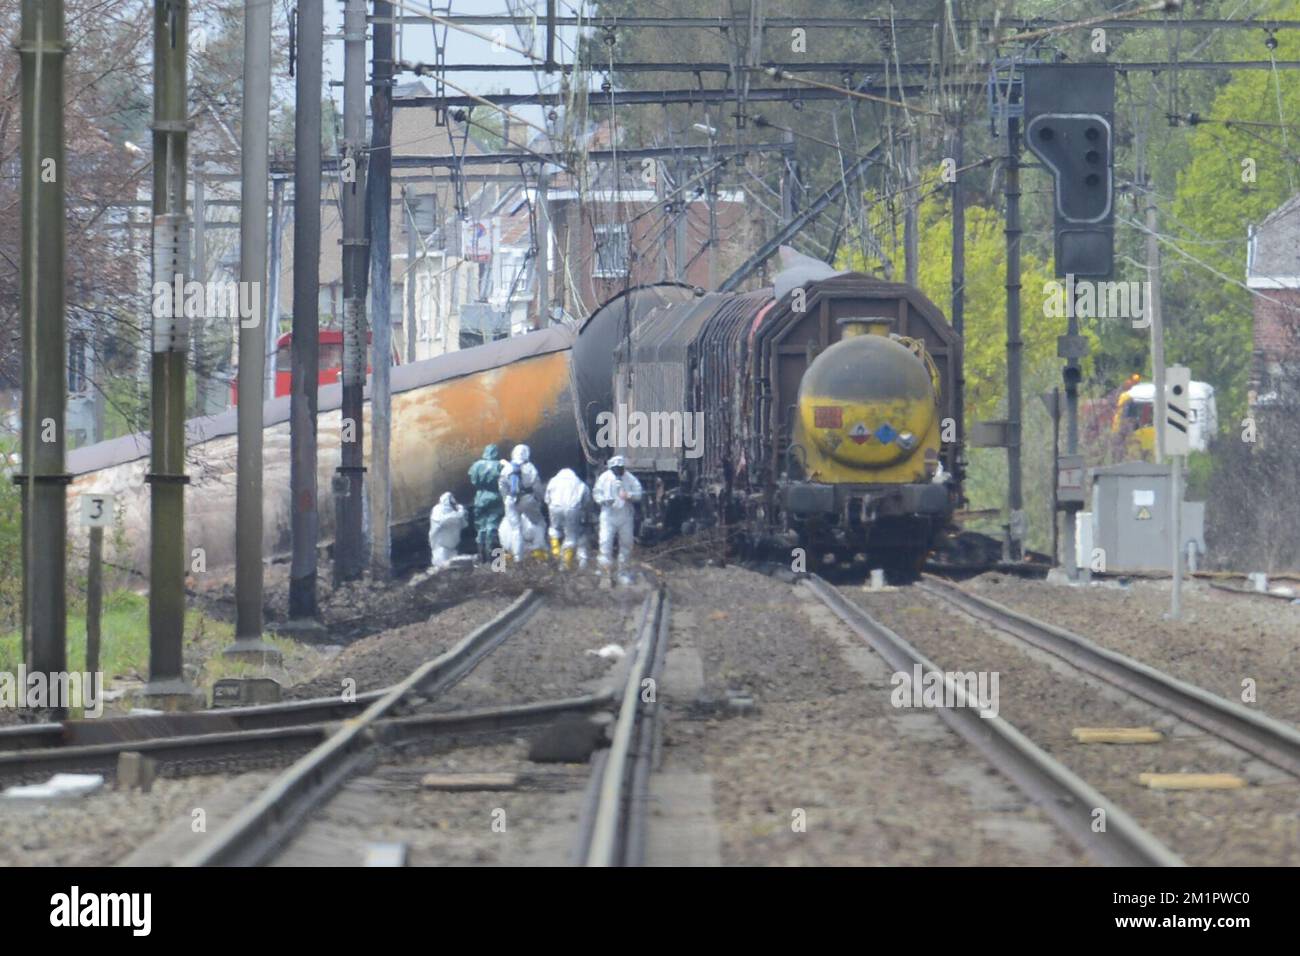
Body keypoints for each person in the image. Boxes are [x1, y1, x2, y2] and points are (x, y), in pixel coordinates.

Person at [593, 455, 643, 584]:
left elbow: (639, 493)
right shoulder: (604, 478)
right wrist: (603, 501)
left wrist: (629, 495)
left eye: (620, 468)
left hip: (625, 516)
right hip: (608, 516)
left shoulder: (630, 478)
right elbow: (596, 493)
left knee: (626, 544)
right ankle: (605, 574)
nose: (618, 471)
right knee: (605, 544)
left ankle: (623, 573)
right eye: (616, 469)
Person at [499, 444, 546, 563]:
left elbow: (502, 485)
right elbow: (536, 485)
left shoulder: (507, 468)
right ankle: (539, 553)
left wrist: (506, 499)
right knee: (539, 523)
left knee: (515, 529)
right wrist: (540, 499)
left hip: (511, 500)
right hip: (527, 498)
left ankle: (517, 558)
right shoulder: (529, 467)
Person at [545, 468, 590, 569]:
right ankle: (565, 564)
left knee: (554, 529)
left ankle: (555, 551)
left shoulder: (553, 481)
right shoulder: (578, 482)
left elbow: (546, 499)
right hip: (572, 508)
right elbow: (586, 499)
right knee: (571, 536)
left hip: (555, 507)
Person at [468, 444, 505, 562]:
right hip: (495, 496)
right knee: (494, 528)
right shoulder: (499, 465)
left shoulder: (476, 465)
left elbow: (473, 480)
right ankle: (497, 563)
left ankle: (482, 560)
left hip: (480, 497)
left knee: (481, 529)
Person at [428, 492, 468, 570]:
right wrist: (460, 512)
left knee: (453, 568)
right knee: (442, 569)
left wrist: (461, 512)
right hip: (440, 549)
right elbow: (444, 520)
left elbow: (464, 524)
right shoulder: (438, 510)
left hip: (452, 548)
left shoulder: (456, 512)